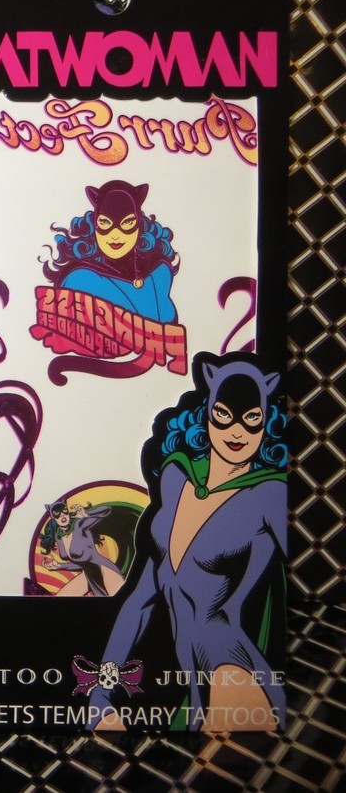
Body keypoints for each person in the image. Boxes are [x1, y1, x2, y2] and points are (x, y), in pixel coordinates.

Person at [90, 353, 287, 731]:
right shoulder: (176, 477)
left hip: (229, 661)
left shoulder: (268, 494)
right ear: (208, 412)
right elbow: (138, 603)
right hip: (186, 677)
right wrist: (103, 688)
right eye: (224, 416)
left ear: (265, 422)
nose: (236, 433)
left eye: (251, 420)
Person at [43, 179, 179, 323]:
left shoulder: (157, 272)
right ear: (94, 225)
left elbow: (168, 322)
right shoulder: (78, 278)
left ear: (139, 225)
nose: (115, 235)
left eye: (127, 223)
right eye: (105, 223)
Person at [40, 501, 125, 597]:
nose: (62, 515)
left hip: (104, 569)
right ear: (53, 518)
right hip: (89, 575)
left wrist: (87, 514)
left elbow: (107, 510)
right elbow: (80, 564)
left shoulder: (79, 525)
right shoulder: (58, 537)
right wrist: (59, 566)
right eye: (57, 514)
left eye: (64, 511)